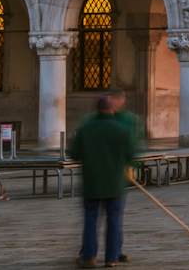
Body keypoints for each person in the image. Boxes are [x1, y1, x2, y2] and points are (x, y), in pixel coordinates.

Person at [69, 92, 141, 268]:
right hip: (115, 183)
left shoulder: (85, 129)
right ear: (111, 109)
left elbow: (74, 154)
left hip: (92, 183)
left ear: (97, 109)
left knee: (90, 220)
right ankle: (112, 258)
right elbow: (131, 154)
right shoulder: (122, 130)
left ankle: (89, 257)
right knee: (114, 220)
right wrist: (128, 166)